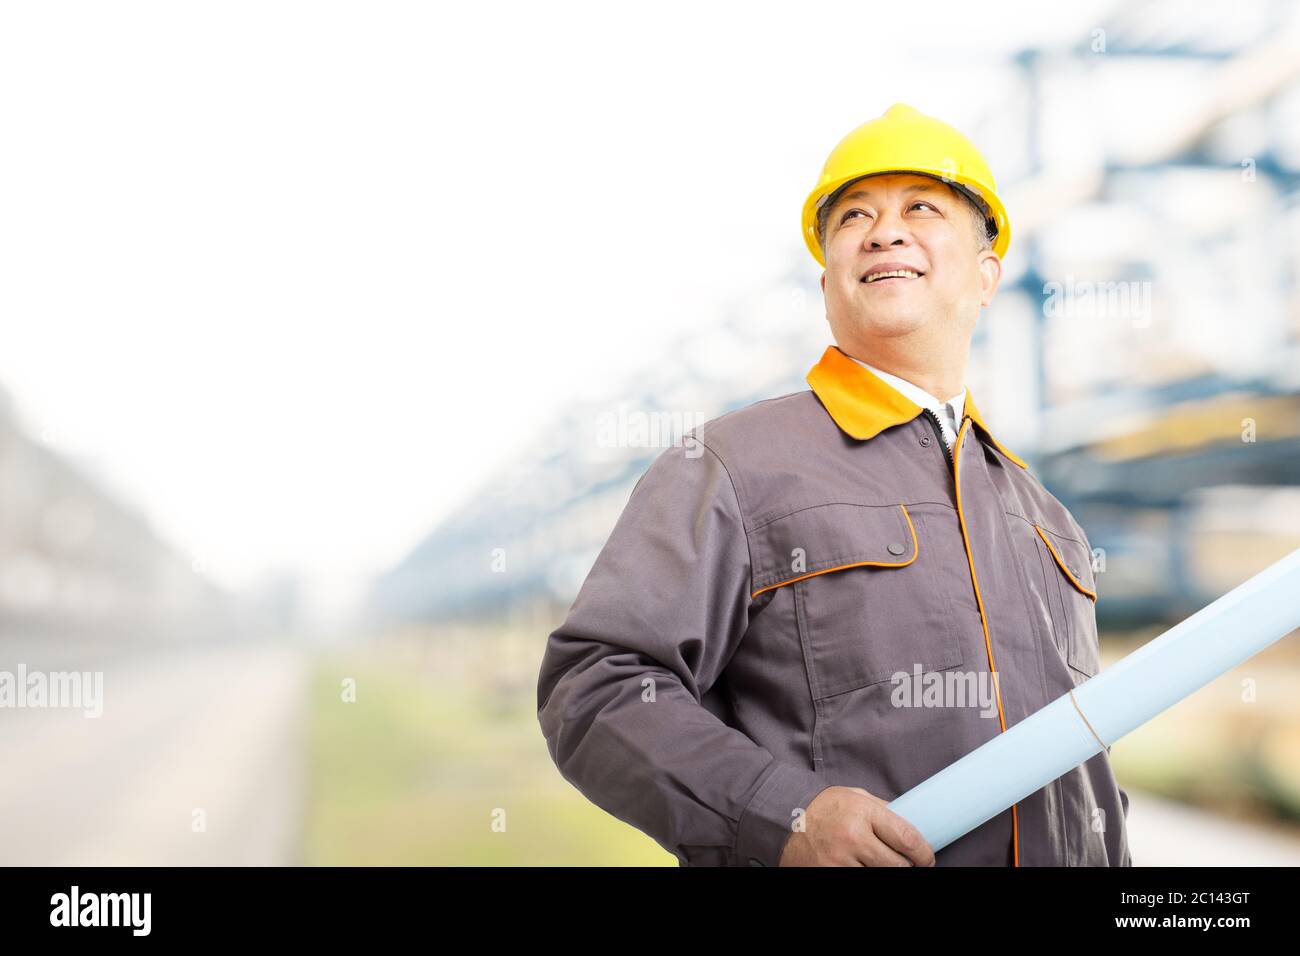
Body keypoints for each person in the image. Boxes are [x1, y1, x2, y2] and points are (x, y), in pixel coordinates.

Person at [536, 103, 1132, 867]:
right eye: (855, 216)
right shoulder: (731, 464)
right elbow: (595, 686)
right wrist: (780, 815)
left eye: (921, 206)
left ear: (988, 275)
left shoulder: (1045, 519)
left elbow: (1087, 781)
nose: (885, 230)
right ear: (829, 283)